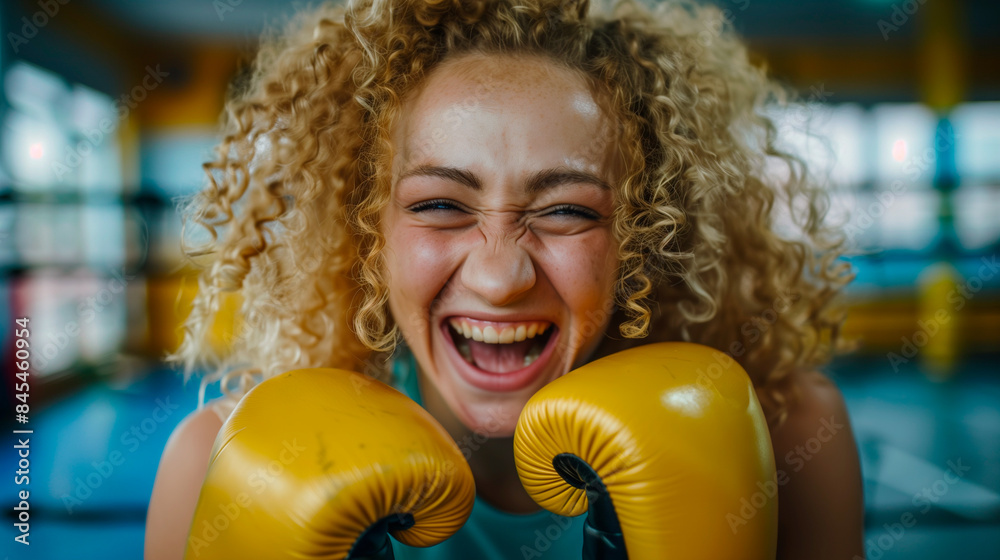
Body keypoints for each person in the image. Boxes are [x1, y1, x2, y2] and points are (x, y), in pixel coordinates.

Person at [144, 0, 865, 559]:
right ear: (370, 233)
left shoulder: (787, 436)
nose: (499, 276)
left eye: (565, 211)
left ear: (642, 236)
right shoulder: (215, 470)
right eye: (439, 205)